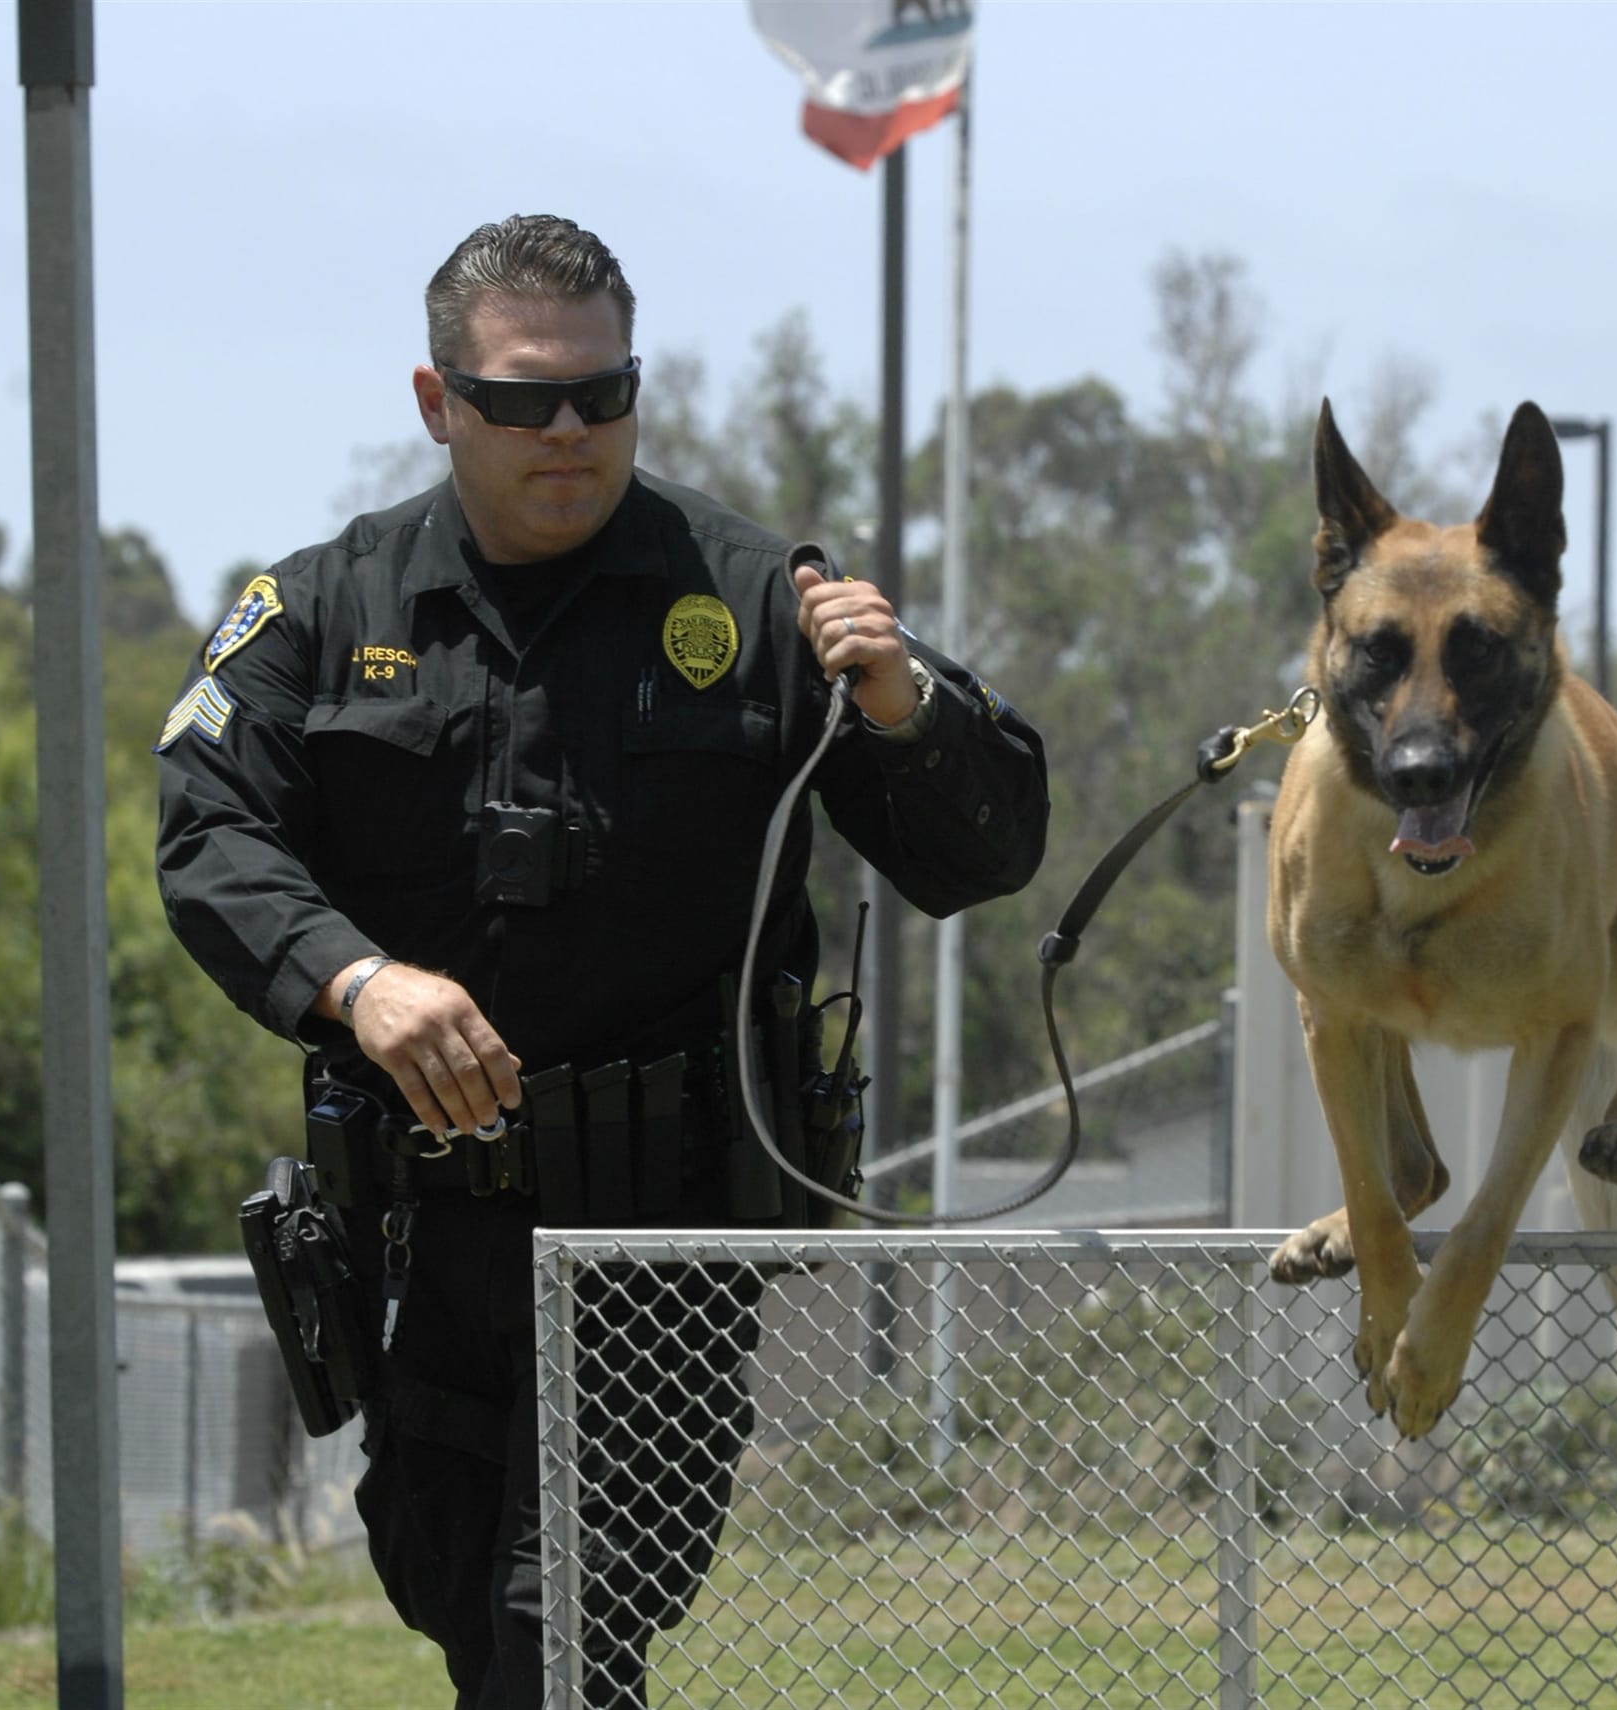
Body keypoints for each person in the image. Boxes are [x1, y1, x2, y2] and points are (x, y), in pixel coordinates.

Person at [154, 213, 1049, 1708]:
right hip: (421, 1229)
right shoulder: (327, 608)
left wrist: (903, 709)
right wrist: (355, 979)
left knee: (554, 1629)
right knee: (460, 1592)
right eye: (519, 398)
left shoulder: (760, 596)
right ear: (439, 404)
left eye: (602, 391)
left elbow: (986, 846)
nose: (567, 427)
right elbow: (204, 826)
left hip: (657, 1238)